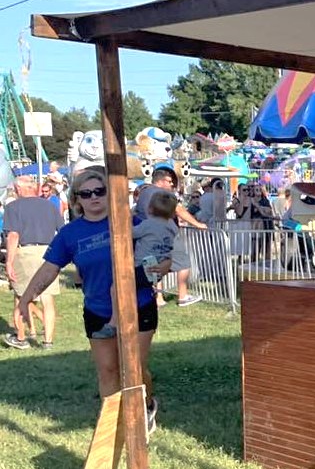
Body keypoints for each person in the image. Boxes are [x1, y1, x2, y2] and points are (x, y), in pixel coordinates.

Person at [17, 168, 169, 428]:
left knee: (135, 367)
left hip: (138, 304)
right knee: (108, 369)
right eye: (86, 194)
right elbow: (49, 268)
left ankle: (146, 406)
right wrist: (26, 297)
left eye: (99, 191)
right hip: (98, 309)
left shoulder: (129, 223)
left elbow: (163, 250)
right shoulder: (70, 234)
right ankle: (113, 426)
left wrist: (164, 265)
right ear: (77, 199)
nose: (94, 197)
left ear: (109, 194)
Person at [91, 190, 179, 340]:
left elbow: (128, 233)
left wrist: (127, 219)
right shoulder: (172, 227)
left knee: (116, 288)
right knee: (140, 290)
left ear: (150, 209)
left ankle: (114, 322)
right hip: (157, 268)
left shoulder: (148, 224)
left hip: (140, 267)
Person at [3, 175, 64, 349]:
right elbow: (62, 230)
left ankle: (21, 338)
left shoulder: (12, 207)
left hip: (25, 252)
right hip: (48, 252)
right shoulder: (50, 206)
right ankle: (48, 341)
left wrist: (9, 262)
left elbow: (13, 235)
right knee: (47, 298)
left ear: (19, 189)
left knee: (21, 296)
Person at [138, 166, 206, 307]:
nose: (172, 184)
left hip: (149, 235)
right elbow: (178, 209)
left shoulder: (144, 193)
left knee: (156, 265)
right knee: (184, 263)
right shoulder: (161, 194)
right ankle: (183, 296)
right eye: (169, 181)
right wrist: (197, 224)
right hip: (167, 235)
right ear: (161, 181)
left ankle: (158, 298)